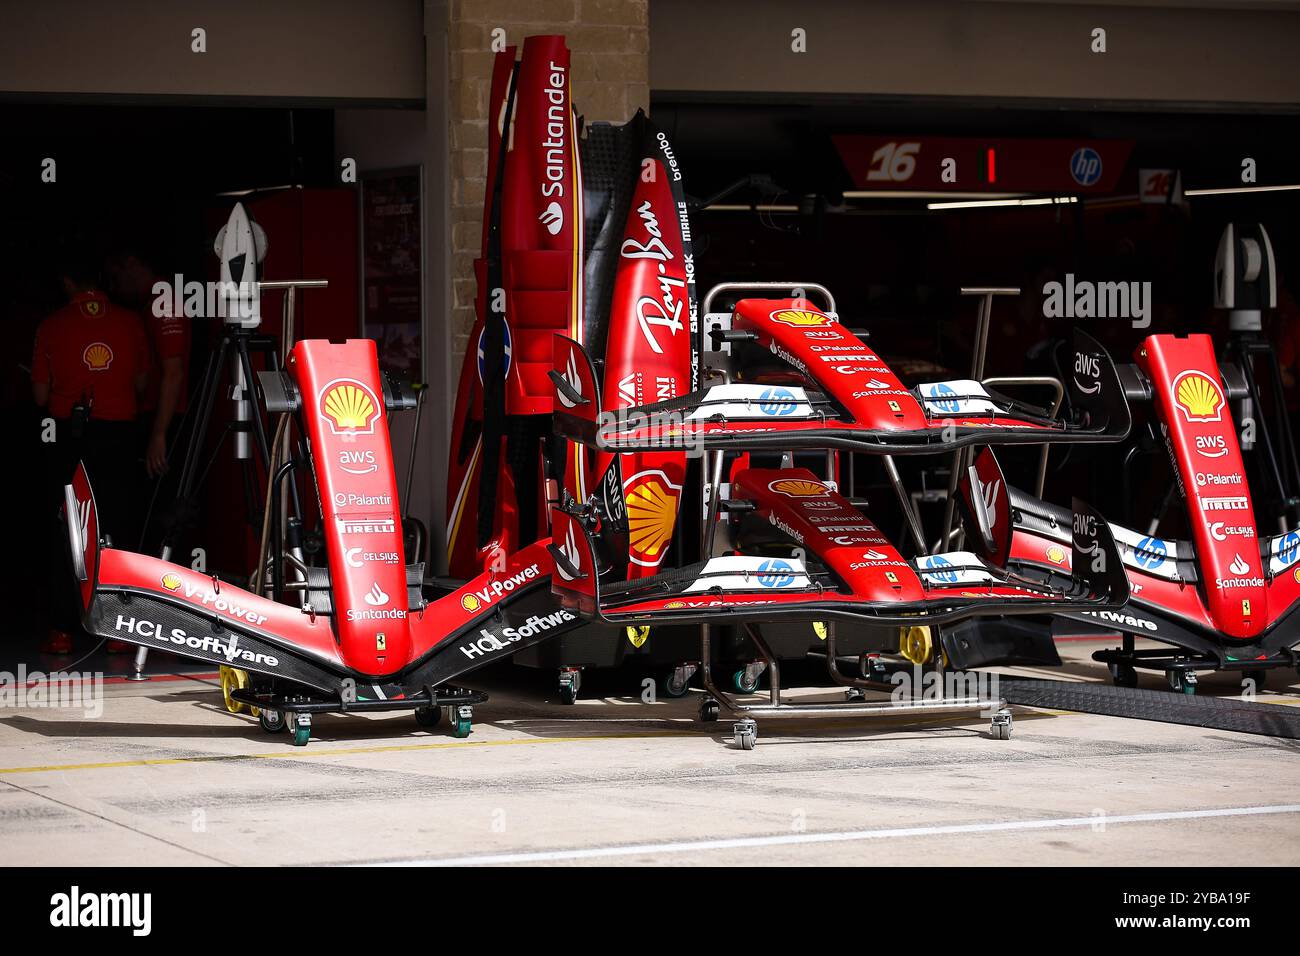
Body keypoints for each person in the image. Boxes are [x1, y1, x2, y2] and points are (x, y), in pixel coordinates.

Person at [32, 252, 150, 654]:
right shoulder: (131, 322)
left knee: (67, 527)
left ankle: (62, 629)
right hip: (120, 433)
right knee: (118, 524)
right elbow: (140, 383)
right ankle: (119, 628)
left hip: (68, 436)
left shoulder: (51, 326)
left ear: (66, 283)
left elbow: (40, 394)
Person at [104, 248, 190, 478]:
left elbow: (174, 373)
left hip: (167, 418)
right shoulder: (152, 303)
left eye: (115, 277)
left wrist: (159, 434)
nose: (114, 287)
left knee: (160, 500)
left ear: (131, 264)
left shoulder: (163, 302)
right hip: (156, 416)